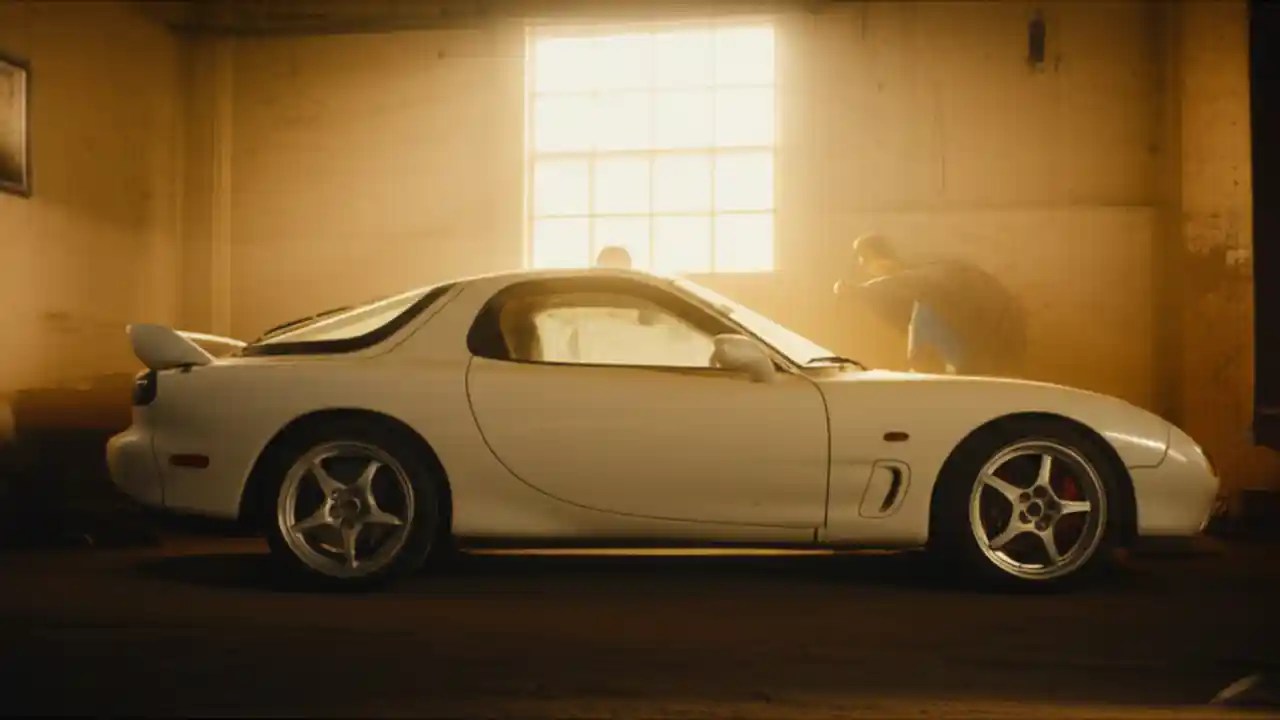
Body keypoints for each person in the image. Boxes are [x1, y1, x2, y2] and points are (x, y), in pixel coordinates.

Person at [834, 234, 1027, 376]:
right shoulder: (919, 294)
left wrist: (856, 290)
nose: (862, 265)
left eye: (863, 258)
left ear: (876, 256)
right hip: (973, 353)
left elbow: (903, 281)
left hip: (979, 348)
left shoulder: (920, 275)